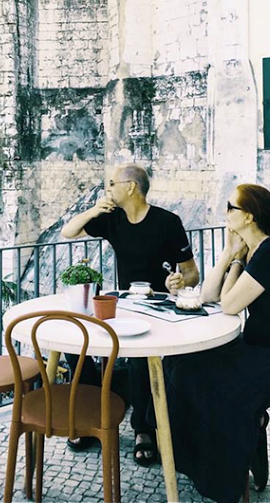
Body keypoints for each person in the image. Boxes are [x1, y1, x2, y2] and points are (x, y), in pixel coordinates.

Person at [162, 183, 270, 503]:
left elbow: (230, 305)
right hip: (263, 349)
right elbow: (211, 296)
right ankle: (201, 459)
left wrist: (234, 257)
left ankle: (229, 472)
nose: (225, 213)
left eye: (230, 208)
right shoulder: (256, 250)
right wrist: (232, 255)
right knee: (179, 364)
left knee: (210, 379)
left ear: (248, 216)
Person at [59, 164, 200, 465]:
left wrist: (179, 282)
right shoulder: (113, 219)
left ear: (131, 187)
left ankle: (143, 429)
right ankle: (88, 417)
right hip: (123, 302)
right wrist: (94, 210)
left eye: (112, 184)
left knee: (138, 356)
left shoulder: (168, 222)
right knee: (76, 341)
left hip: (157, 305)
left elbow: (192, 273)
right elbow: (67, 232)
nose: (108, 188)